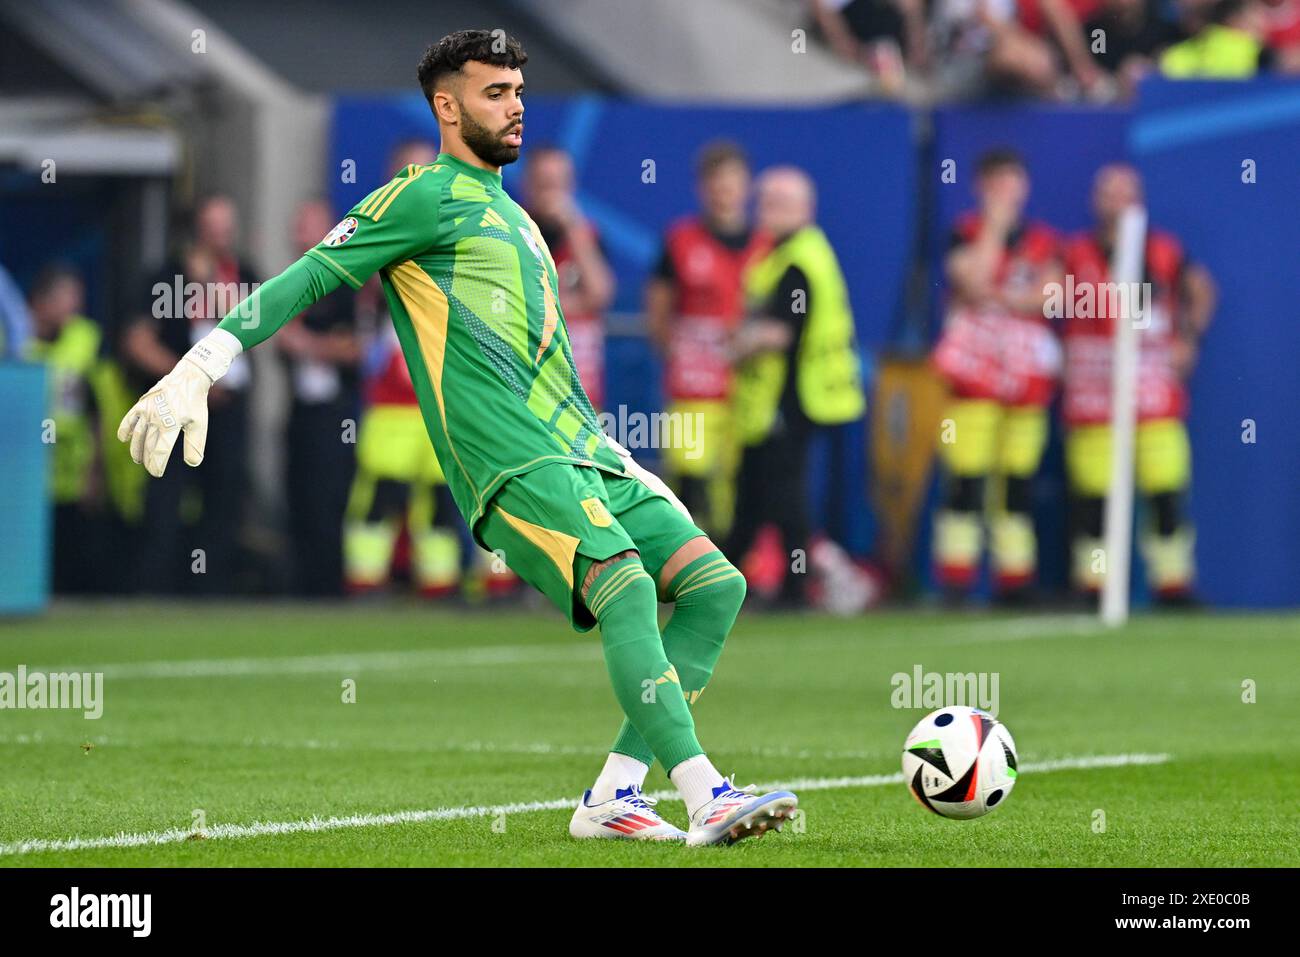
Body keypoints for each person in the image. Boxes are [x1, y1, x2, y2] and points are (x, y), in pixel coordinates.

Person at [115, 29, 796, 847]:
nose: (514, 109)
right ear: (446, 106)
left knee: (716, 587)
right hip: (513, 461)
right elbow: (314, 273)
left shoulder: (518, 219)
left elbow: (549, 365)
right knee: (624, 583)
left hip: (586, 449)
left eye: (517, 93)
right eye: (493, 93)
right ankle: (704, 793)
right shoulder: (419, 194)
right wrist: (203, 360)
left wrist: (619, 457)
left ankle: (615, 795)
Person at [1060, 164, 1215, 604]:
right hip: (1094, 391)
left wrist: (1189, 338)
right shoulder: (1074, 252)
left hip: (1153, 391)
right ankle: (1093, 584)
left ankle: (1173, 583)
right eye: (1108, 192)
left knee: (1165, 490)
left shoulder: (1164, 251)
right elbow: (1046, 294)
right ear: (1095, 199)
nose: (1116, 201)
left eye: (1125, 192)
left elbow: (1201, 289)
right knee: (1093, 499)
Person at [726, 167, 867, 607]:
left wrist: (736, 345)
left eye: (777, 204)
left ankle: (797, 585)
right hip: (778, 397)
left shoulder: (798, 260)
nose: (765, 211)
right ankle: (723, 581)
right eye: (763, 201)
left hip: (794, 395)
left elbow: (780, 332)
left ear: (804, 209)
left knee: (783, 496)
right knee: (754, 491)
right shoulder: (786, 254)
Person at [931, 148, 1063, 603]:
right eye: (996, 185)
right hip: (973, 381)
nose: (1005, 194)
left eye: (1012, 184)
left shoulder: (1046, 241)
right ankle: (956, 579)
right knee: (965, 478)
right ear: (980, 188)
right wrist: (993, 228)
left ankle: (1015, 580)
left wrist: (998, 298)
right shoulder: (964, 233)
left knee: (1017, 483)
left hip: (1025, 381)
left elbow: (1051, 297)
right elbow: (970, 279)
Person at [120, 194, 257, 595]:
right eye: (212, 228)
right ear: (197, 229)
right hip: (177, 405)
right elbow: (137, 342)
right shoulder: (165, 275)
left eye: (226, 228)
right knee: (165, 493)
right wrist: (188, 378)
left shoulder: (242, 272)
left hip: (228, 409)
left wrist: (211, 284)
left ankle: (210, 588)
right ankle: (154, 588)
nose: (219, 237)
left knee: (225, 494)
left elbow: (258, 327)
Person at [644, 141, 770, 538]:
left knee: (735, 484)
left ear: (747, 187)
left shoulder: (768, 246)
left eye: (733, 183)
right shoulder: (679, 241)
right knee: (689, 478)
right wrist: (684, 355)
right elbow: (658, 314)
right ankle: (691, 570)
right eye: (716, 183)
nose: (725, 192)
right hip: (693, 389)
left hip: (748, 387)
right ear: (703, 188)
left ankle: (735, 568)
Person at [280, 198, 364, 596]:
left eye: (308, 225)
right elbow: (276, 336)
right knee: (299, 493)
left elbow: (353, 348)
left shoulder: (346, 283)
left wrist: (307, 344)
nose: (300, 234)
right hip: (301, 409)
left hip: (337, 415)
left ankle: (331, 585)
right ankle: (302, 584)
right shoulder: (292, 282)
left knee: (331, 497)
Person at [25, 265, 107, 593]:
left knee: (74, 559)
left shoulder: (84, 338)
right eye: (65, 299)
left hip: (71, 470)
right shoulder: (12, 341)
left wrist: (94, 469)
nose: (73, 307)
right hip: (25, 472)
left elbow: (95, 408)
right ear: (40, 302)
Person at [521, 145, 614, 410]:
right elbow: (519, 307)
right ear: (528, 184)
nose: (552, 191)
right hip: (529, 394)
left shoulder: (588, 236)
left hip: (581, 395)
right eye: (544, 182)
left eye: (558, 183)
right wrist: (573, 303)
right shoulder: (511, 234)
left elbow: (600, 295)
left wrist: (573, 226)